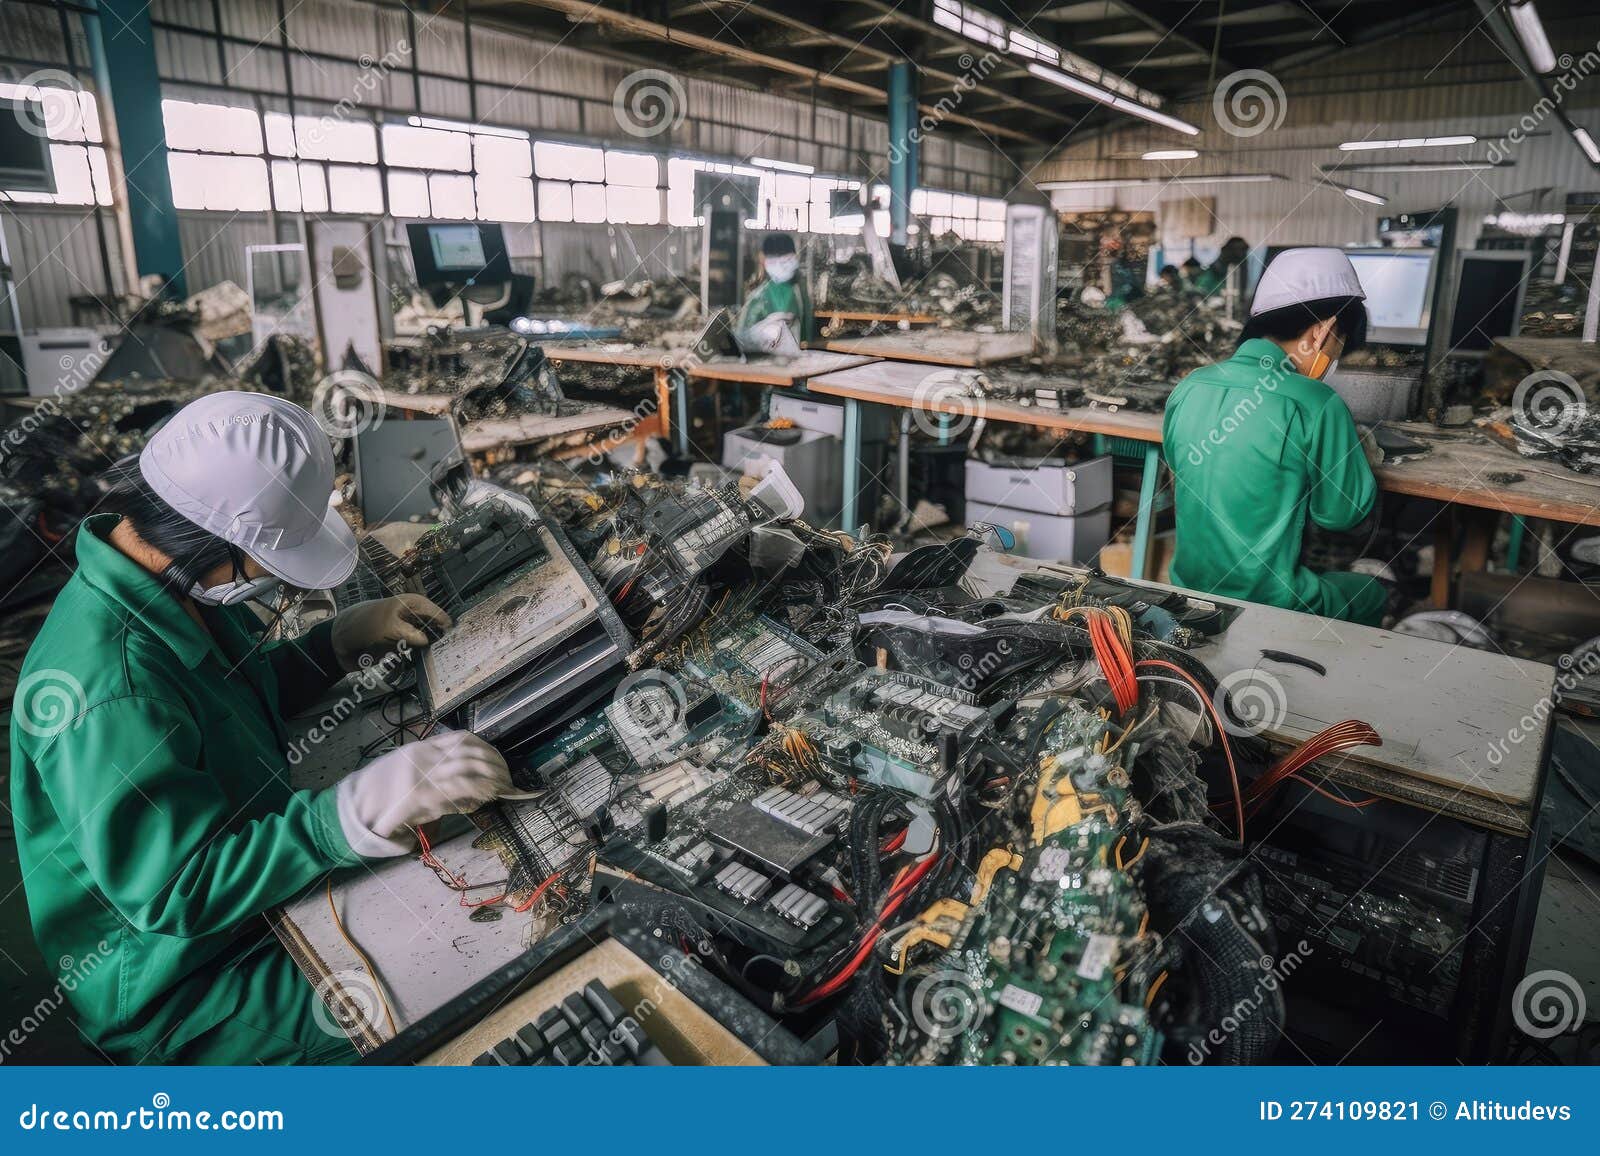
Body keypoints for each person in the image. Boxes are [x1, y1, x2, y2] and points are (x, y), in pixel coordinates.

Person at [10, 392, 512, 1064]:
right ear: (208, 539)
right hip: (191, 988)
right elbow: (177, 891)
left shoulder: (165, 585)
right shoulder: (111, 687)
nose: (273, 582)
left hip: (249, 909)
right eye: (268, 562)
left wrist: (331, 645)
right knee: (475, 976)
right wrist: (348, 814)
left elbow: (223, 700)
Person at [1162, 248, 1386, 626]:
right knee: (1373, 593)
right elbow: (1340, 515)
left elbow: (1181, 474)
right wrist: (1354, 453)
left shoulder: (1189, 387)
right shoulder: (1317, 402)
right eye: (1340, 343)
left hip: (1187, 589)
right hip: (1272, 599)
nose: (1335, 357)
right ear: (1323, 330)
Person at [736, 232, 815, 348]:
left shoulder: (800, 291)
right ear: (763, 260)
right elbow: (742, 337)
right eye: (775, 259)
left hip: (797, 355)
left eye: (786, 259)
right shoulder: (758, 296)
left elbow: (807, 331)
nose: (781, 265)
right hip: (765, 358)